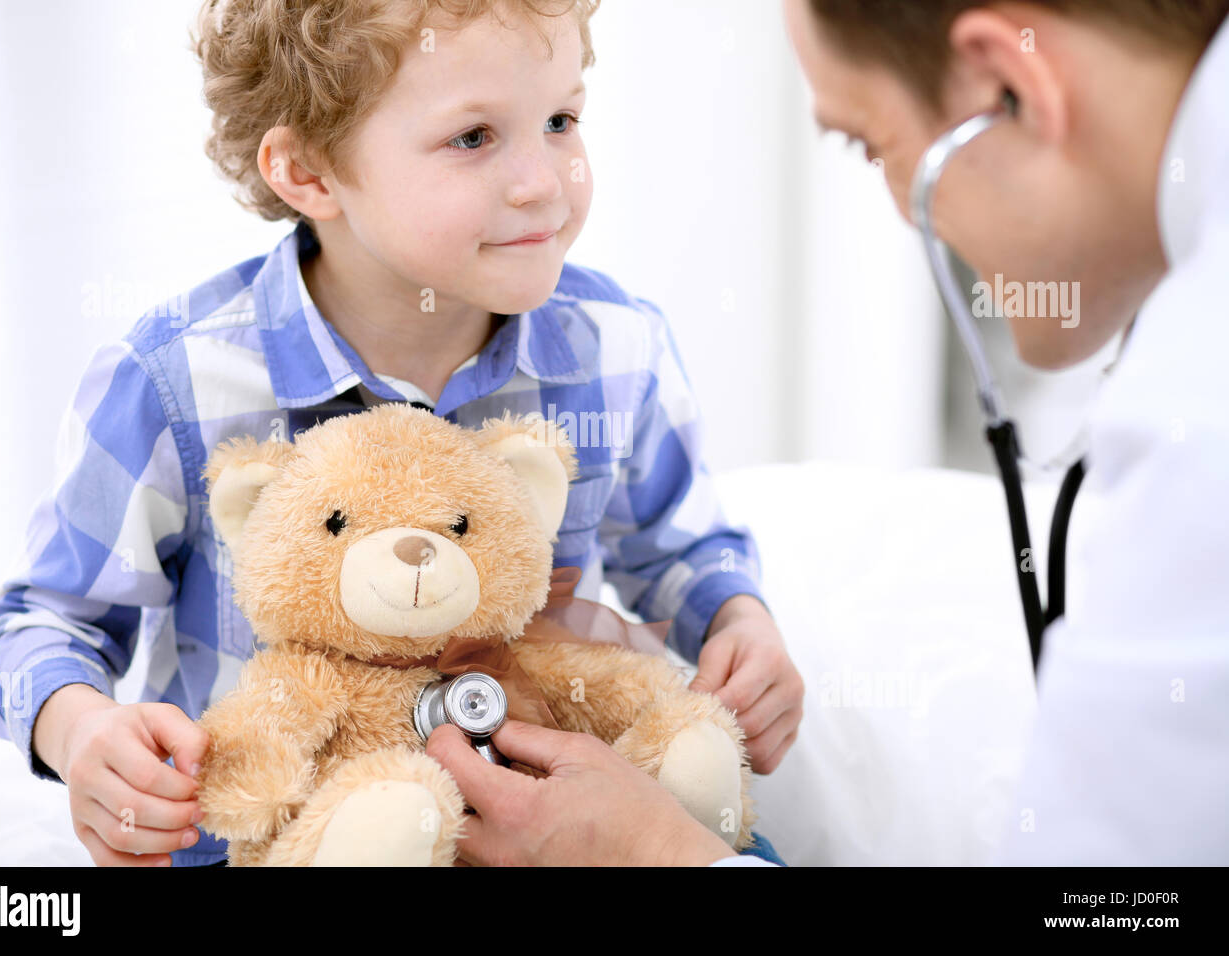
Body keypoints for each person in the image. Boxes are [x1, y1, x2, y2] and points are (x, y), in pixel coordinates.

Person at [0, 0, 804, 867]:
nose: (544, 182)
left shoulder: (615, 349)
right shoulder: (177, 381)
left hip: (527, 833)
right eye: (473, 137)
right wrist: (81, 732)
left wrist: (740, 622)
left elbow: (682, 551)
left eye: (560, 120)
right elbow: (42, 625)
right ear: (309, 171)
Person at [427, 0, 1229, 865]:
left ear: (1010, 86)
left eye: (869, 143)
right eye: (473, 137)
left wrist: (657, 850)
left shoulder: (1197, 421)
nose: (901, 212)